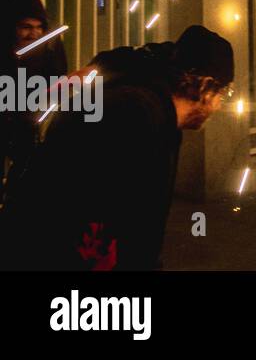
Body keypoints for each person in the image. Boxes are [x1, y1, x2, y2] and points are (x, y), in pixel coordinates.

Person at [0, 26, 233, 270]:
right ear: (205, 86)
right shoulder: (136, 116)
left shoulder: (155, 110)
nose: (219, 106)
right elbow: (110, 216)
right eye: (223, 94)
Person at [1, 0, 68, 199]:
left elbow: (58, 81)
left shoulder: (49, 52)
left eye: (39, 28)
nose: (34, 34)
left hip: (31, 123)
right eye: (26, 27)